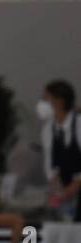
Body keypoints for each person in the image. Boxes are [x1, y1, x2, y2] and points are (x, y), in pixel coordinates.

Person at [39, 79, 79, 221]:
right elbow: (50, 164)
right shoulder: (48, 129)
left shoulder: (79, 124)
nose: (43, 103)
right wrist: (57, 187)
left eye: (46, 98)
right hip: (64, 193)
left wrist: (75, 185)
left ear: (60, 100)